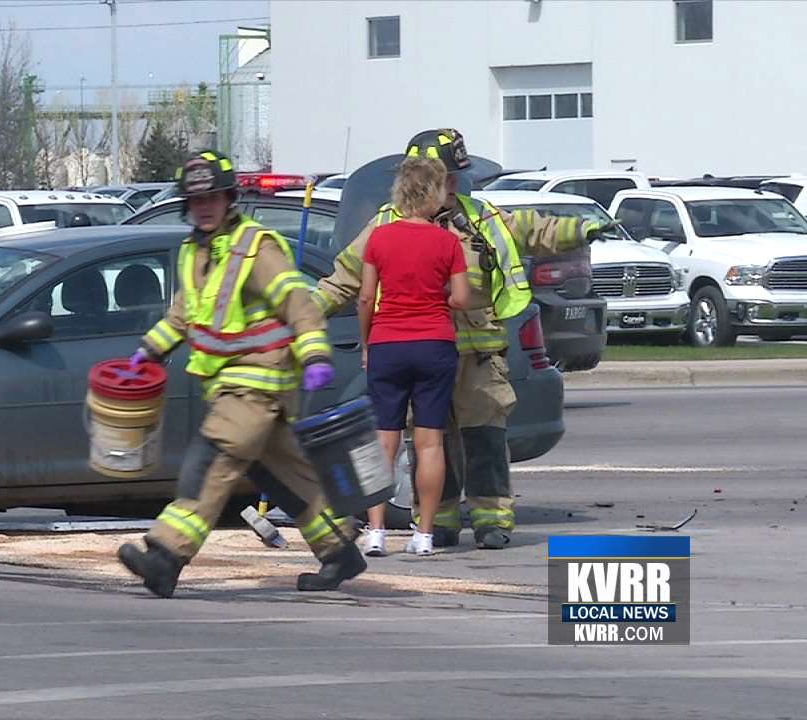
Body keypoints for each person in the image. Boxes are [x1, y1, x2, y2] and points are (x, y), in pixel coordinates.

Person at [315, 128, 605, 550]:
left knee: (485, 436)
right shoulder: (385, 225)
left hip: (477, 354)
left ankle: (491, 519)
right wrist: (303, 311)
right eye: (447, 177)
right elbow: (344, 279)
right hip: (427, 351)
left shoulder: (481, 218)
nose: (455, 184)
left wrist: (580, 230)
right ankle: (439, 520)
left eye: (456, 176)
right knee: (431, 440)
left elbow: (532, 229)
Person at [116, 150, 365, 598]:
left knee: (211, 461)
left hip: (258, 383)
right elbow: (184, 314)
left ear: (229, 198)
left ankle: (166, 556)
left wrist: (315, 356)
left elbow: (298, 303)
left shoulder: (256, 246)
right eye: (197, 200)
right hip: (230, 384)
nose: (205, 206)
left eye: (213, 197)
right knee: (287, 476)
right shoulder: (194, 251)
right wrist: (148, 351)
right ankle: (340, 549)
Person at [356, 158, 470, 556]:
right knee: (429, 442)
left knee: (383, 442)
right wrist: (439, 297)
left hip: (387, 344)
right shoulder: (448, 242)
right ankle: (424, 535)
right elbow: (462, 298)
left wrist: (367, 343)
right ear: (433, 194)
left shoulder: (379, 238)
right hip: (435, 344)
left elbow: (366, 298)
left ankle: (376, 532)